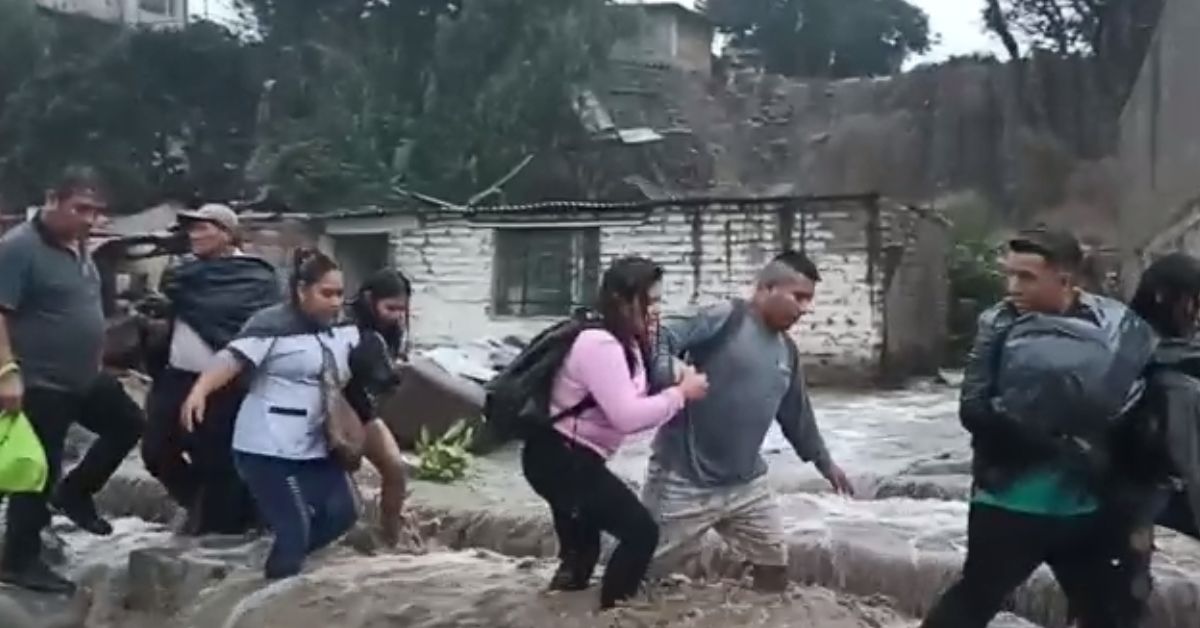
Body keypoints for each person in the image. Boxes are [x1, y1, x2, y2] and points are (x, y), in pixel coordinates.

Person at [922, 228, 1148, 628]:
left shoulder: (1112, 324)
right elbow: (973, 410)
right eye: (1009, 274)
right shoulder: (997, 324)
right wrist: (1054, 441)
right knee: (971, 604)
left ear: (1064, 279)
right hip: (1010, 501)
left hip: (1087, 504)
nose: (1012, 287)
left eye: (1026, 277)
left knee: (1110, 614)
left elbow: (1133, 398)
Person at [642, 250, 853, 592]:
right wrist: (671, 373)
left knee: (774, 571)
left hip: (746, 485)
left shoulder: (787, 351)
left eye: (809, 300)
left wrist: (824, 462)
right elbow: (660, 336)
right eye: (798, 296)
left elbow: (797, 414)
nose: (805, 308)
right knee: (643, 577)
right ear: (767, 287)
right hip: (682, 478)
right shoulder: (726, 318)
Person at [179, 249, 393, 579]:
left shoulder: (346, 329)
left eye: (339, 293)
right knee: (295, 528)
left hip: (319, 443)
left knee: (344, 514)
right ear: (301, 290)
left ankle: (272, 571)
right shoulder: (271, 325)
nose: (335, 302)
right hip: (266, 447)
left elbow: (367, 366)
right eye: (326, 293)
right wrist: (200, 390)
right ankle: (270, 588)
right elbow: (232, 359)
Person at [521, 256, 709, 609]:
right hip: (562, 460)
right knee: (641, 534)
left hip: (563, 458)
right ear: (623, 301)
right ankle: (616, 614)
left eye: (658, 301)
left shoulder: (626, 343)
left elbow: (637, 387)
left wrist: (675, 377)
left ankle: (552, 613)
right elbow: (627, 416)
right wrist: (681, 395)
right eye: (649, 301)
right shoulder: (600, 345)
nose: (656, 310)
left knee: (581, 557)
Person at [0, 166, 145, 594]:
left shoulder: (81, 246)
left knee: (128, 424)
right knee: (36, 472)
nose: (89, 219)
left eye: (96, 211)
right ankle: (18, 561)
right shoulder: (17, 249)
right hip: (39, 381)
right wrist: (7, 373)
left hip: (85, 375)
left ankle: (76, 492)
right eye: (80, 208)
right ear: (52, 200)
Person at [141, 204, 280, 535]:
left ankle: (223, 533)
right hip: (176, 377)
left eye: (204, 228)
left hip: (225, 383)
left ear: (227, 233)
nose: (195, 235)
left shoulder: (256, 276)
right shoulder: (184, 274)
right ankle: (196, 502)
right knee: (156, 450)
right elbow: (177, 310)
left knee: (217, 460)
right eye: (192, 228)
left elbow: (260, 328)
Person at [1122, 253, 1200, 540]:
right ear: (1163, 297)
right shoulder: (1172, 379)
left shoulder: (1122, 340)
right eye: (1194, 300)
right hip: (1160, 505)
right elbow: (1189, 465)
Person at [344, 269, 413, 546]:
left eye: (401, 309)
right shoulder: (346, 325)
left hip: (364, 410)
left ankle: (391, 538)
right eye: (390, 308)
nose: (396, 314)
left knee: (396, 469)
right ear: (370, 299)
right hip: (333, 410)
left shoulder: (392, 331)